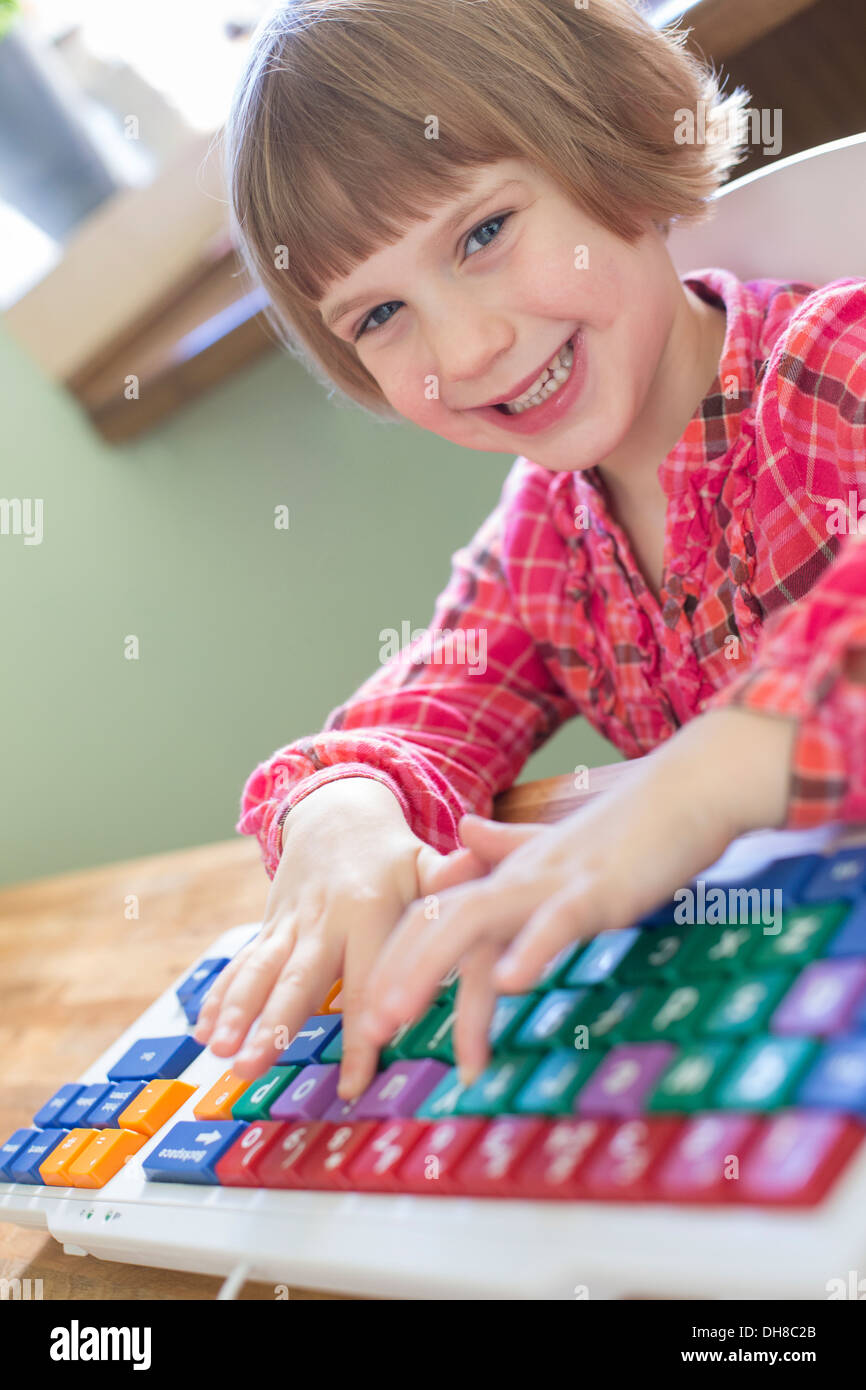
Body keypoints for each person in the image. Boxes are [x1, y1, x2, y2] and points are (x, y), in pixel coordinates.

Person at [194, 0, 866, 1102]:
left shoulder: (825, 363)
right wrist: (340, 810)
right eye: (378, 318)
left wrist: (714, 774)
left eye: (481, 234)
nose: (464, 349)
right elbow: (419, 709)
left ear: (616, 135)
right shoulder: (546, 536)